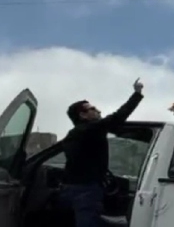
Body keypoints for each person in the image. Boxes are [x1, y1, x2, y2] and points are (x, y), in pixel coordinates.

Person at [61, 79, 145, 227]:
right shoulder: (89, 130)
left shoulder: (75, 134)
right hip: (86, 191)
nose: (98, 110)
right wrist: (136, 94)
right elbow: (117, 117)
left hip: (75, 188)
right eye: (93, 109)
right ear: (83, 115)